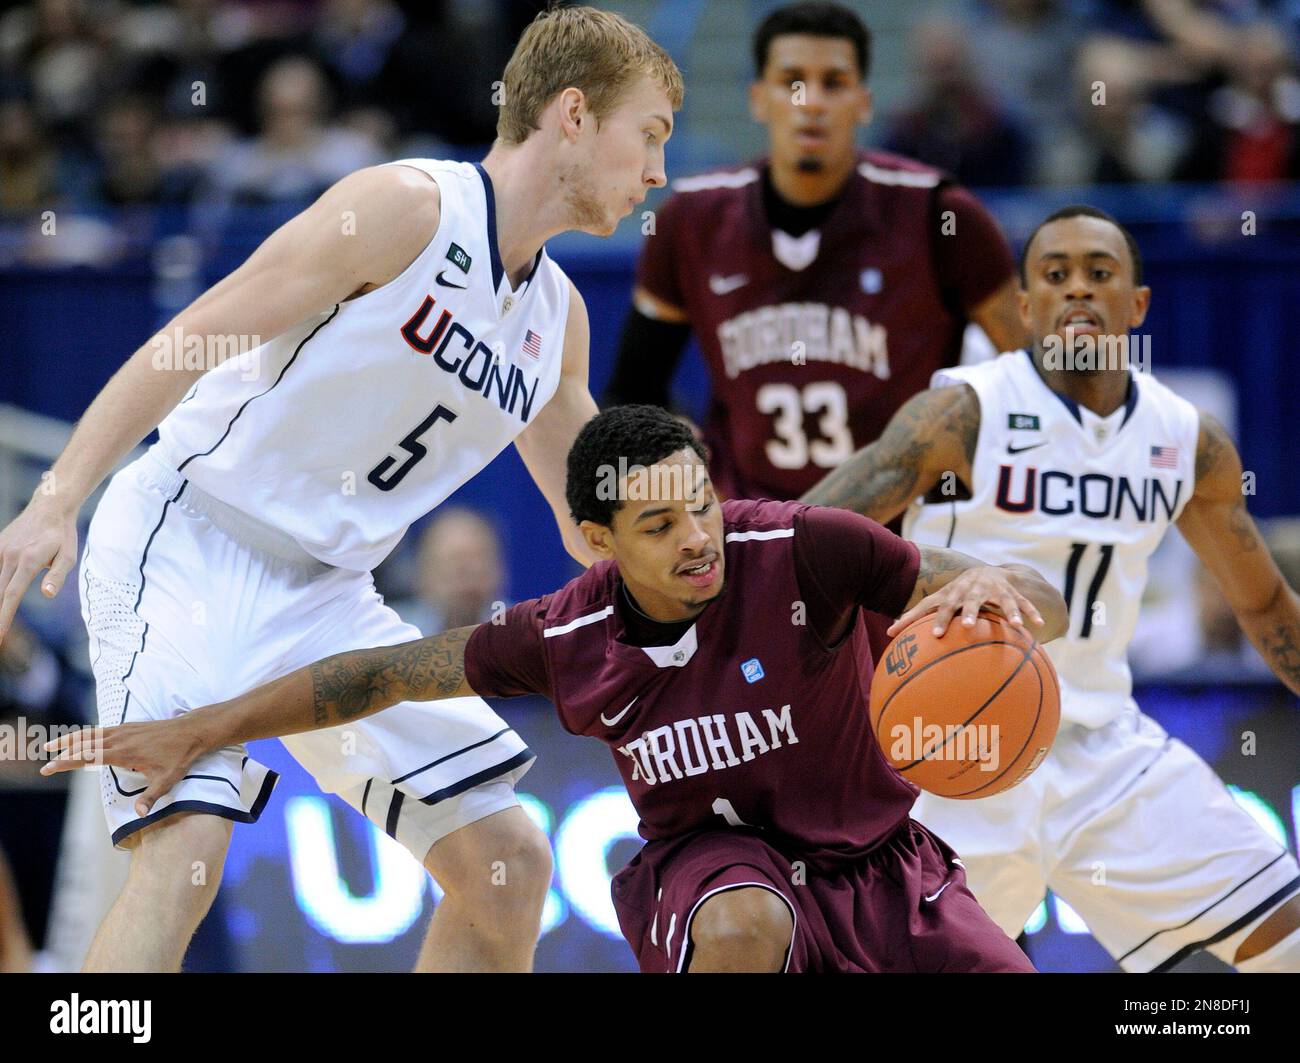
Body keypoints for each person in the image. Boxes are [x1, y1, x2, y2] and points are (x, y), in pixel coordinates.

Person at [1, 5, 683, 972]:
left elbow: (601, 524)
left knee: (510, 860)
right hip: (191, 536)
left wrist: (722, 572)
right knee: (186, 858)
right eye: (648, 134)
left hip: (329, 598)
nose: (657, 170)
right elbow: (194, 333)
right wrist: (56, 496)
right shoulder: (406, 208)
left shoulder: (557, 321)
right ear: (573, 113)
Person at [44, 404, 1069, 973]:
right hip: (710, 868)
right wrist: (210, 725)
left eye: (700, 507)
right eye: (660, 526)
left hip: (882, 861)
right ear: (596, 540)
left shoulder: (804, 547)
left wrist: (997, 588)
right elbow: (377, 675)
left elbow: (1039, 605)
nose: (698, 539)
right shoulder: (566, 631)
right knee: (746, 924)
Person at [802, 205, 1300, 972]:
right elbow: (807, 536)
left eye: (1099, 274)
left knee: (1287, 941)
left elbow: (1263, 604)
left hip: (1104, 747)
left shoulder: (1186, 440)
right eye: (1054, 274)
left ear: (1136, 304)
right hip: (955, 749)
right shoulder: (961, 411)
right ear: (1026, 306)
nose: (1077, 291)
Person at [605, 1, 1027, 506]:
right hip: (752, 530)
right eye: (792, 81)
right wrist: (677, 449)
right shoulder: (691, 220)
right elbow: (631, 390)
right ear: (758, 99)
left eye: (834, 82)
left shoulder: (941, 215)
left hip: (907, 534)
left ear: (864, 101)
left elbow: (1031, 378)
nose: (812, 102)